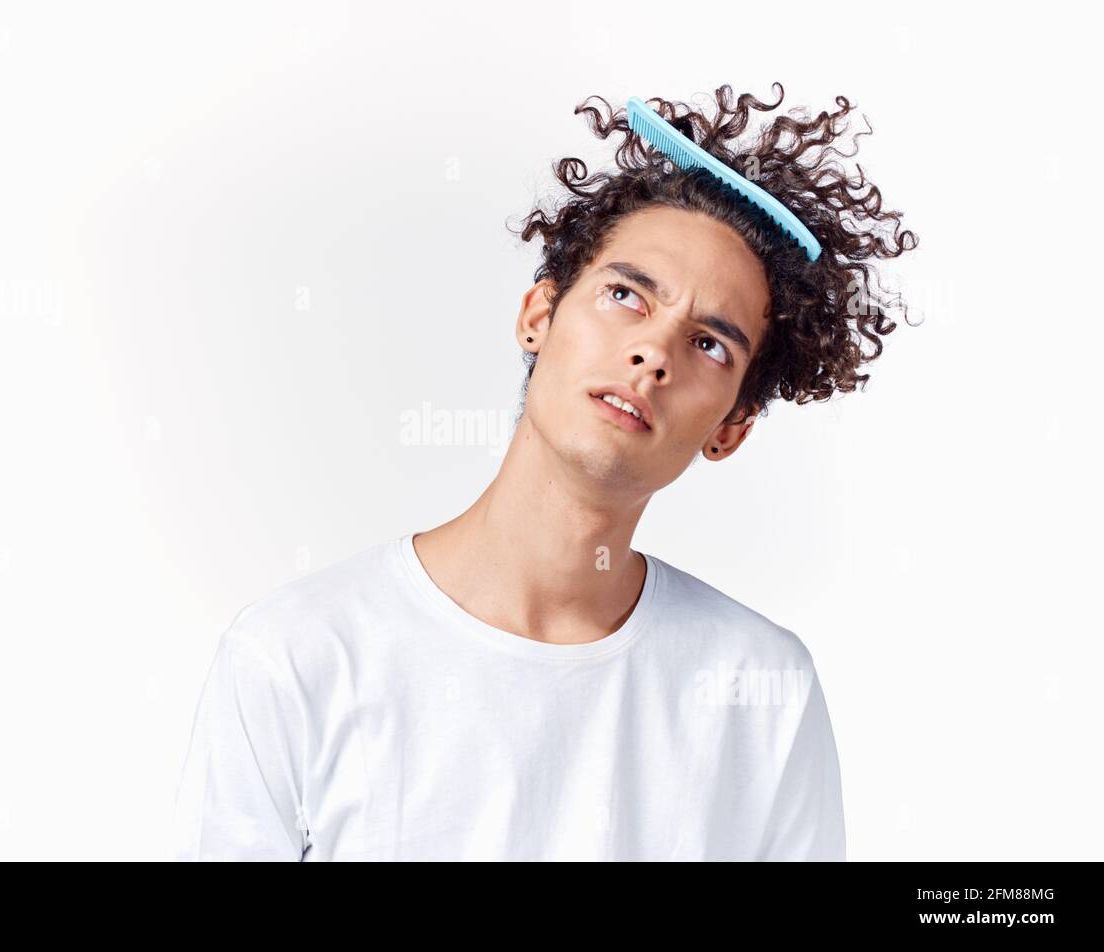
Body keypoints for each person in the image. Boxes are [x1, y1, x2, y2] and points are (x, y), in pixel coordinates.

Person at [172, 83, 918, 861]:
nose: (653, 353)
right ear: (539, 314)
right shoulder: (296, 656)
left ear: (731, 427)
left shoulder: (761, 688)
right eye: (625, 295)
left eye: (708, 344)